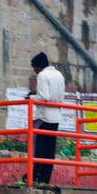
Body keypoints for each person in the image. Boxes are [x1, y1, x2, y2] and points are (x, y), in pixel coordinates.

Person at [27, 51, 65, 184]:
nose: (34, 71)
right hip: (56, 117)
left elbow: (44, 97)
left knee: (38, 150)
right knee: (49, 152)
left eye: (34, 68)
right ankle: (44, 179)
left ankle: (31, 177)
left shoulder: (42, 75)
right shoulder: (59, 75)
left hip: (44, 117)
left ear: (38, 66)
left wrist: (30, 97)